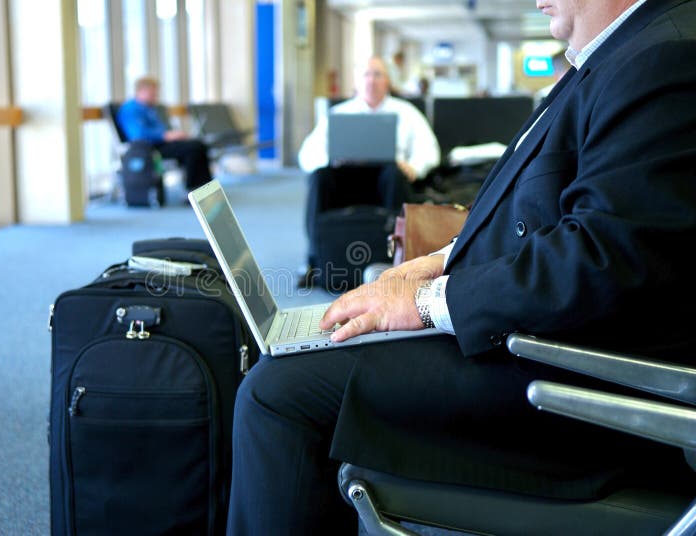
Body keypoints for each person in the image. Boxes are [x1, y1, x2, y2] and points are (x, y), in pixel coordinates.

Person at [228, 1, 696, 534]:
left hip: (577, 386)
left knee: (278, 392)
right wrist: (434, 264)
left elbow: (600, 260)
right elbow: (545, 214)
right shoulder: (617, 56)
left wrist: (426, 304)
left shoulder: (664, 58)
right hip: (537, 339)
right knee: (318, 348)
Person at [298, 56, 441, 283]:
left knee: (395, 174)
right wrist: (329, 160)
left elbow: (430, 150)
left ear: (387, 81)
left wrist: (414, 166)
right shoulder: (339, 114)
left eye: (377, 74)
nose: (371, 80)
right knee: (319, 177)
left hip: (387, 181)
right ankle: (315, 258)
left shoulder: (407, 112)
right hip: (346, 180)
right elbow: (307, 154)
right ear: (356, 81)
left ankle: (400, 259)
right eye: (366, 74)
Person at [116, 76, 212, 191]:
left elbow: (160, 129)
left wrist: (174, 135)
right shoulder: (130, 109)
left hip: (161, 143)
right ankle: (193, 189)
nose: (155, 97)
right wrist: (165, 135)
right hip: (148, 148)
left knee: (198, 144)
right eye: (152, 94)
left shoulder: (148, 108)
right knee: (193, 148)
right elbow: (138, 135)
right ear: (141, 91)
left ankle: (205, 187)